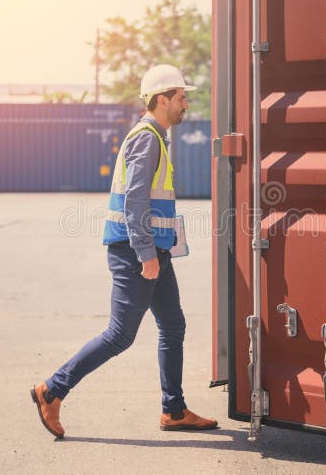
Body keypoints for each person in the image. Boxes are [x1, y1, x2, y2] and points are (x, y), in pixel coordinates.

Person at [30, 64, 218, 438]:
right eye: (181, 97)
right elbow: (134, 201)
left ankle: (174, 410)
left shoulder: (157, 136)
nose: (186, 104)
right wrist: (146, 252)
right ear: (162, 99)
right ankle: (52, 389)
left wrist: (157, 250)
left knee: (173, 326)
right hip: (136, 252)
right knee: (120, 335)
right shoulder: (147, 137)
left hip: (153, 251)